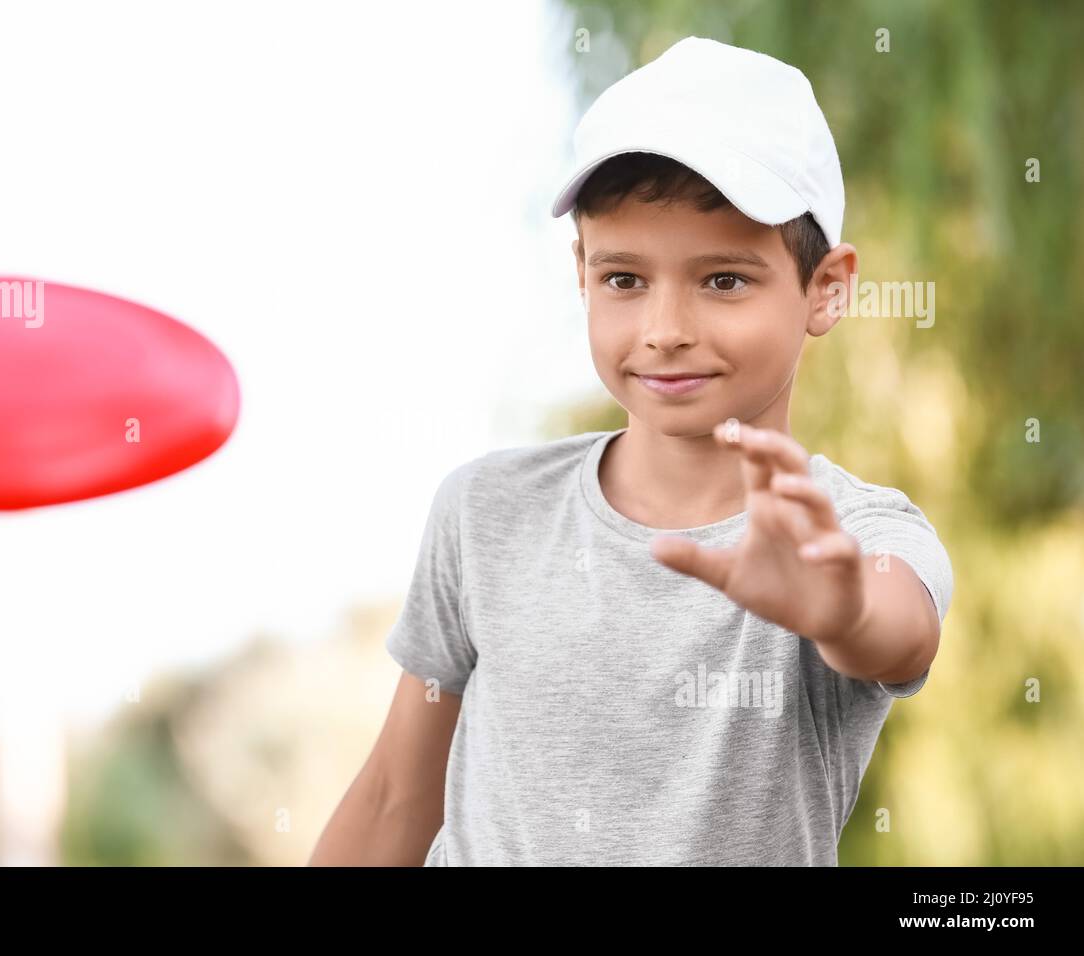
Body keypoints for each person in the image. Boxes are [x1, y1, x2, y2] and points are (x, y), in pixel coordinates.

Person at [309, 36, 954, 867]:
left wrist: (842, 613)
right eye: (625, 279)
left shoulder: (853, 536)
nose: (665, 330)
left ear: (826, 287)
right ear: (582, 273)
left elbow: (899, 631)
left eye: (723, 280)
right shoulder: (484, 512)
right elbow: (396, 797)